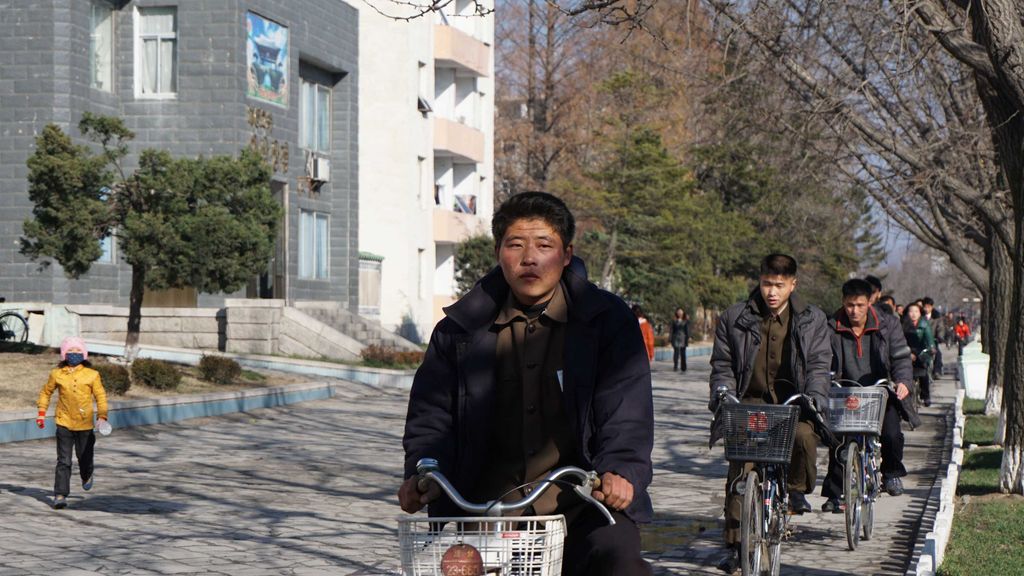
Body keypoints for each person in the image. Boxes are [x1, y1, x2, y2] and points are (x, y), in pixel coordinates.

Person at [399, 192, 654, 576]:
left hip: (583, 503)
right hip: (488, 509)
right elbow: (431, 415)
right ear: (499, 251)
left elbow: (626, 409)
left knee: (620, 562)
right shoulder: (459, 330)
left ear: (566, 254)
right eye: (515, 245)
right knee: (451, 566)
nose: (529, 258)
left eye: (544, 245)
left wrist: (621, 469)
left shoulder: (606, 321)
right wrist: (425, 472)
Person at [708, 254, 831, 574]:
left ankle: (793, 491)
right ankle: (737, 545)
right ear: (759, 281)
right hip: (747, 404)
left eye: (779, 285)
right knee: (740, 467)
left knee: (804, 438)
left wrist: (815, 398)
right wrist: (723, 393)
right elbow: (722, 365)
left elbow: (819, 364)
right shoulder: (735, 317)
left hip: (793, 403)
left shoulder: (811, 318)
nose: (771, 292)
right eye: (766, 284)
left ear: (793, 284)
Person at [821, 279, 921, 511]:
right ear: (842, 302)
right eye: (849, 305)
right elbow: (821, 359)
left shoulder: (887, 324)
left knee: (892, 434)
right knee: (838, 440)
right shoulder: (830, 327)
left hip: (880, 392)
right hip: (844, 392)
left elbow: (900, 356)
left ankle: (891, 474)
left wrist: (903, 381)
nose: (854, 311)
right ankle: (835, 494)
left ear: (870, 302)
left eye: (859, 305)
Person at [36, 336, 108, 510]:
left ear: (83, 354)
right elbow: (46, 393)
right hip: (64, 422)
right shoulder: (56, 374)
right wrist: (41, 413)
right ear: (64, 354)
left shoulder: (92, 375)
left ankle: (86, 474)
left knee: (84, 458)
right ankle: (60, 494)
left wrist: (102, 416)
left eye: (78, 352)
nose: (74, 354)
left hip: (85, 425)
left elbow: (100, 396)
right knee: (64, 460)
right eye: (70, 351)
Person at [902, 303, 935, 407]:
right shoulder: (902, 324)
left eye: (916, 311)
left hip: (920, 353)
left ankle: (926, 396)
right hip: (905, 353)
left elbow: (929, 339)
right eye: (911, 311)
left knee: (923, 374)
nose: (913, 314)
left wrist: (931, 349)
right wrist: (908, 353)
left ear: (920, 313)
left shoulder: (924, 324)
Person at [923, 297, 945, 380]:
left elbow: (940, 329)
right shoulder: (920, 316)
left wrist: (939, 337)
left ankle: (937, 371)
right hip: (922, 341)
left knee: (938, 354)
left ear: (932, 307)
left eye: (928, 307)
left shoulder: (937, 317)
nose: (926, 309)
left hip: (933, 340)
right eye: (925, 307)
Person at [670, 307, 691, 372]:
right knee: (676, 353)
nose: (679, 313)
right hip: (675, 337)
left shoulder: (686, 321)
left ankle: (683, 367)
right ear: (676, 313)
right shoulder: (674, 320)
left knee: (683, 353)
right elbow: (672, 330)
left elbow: (687, 330)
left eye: (681, 311)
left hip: (683, 338)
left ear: (683, 313)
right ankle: (675, 366)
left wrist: (689, 337)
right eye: (678, 311)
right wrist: (670, 338)